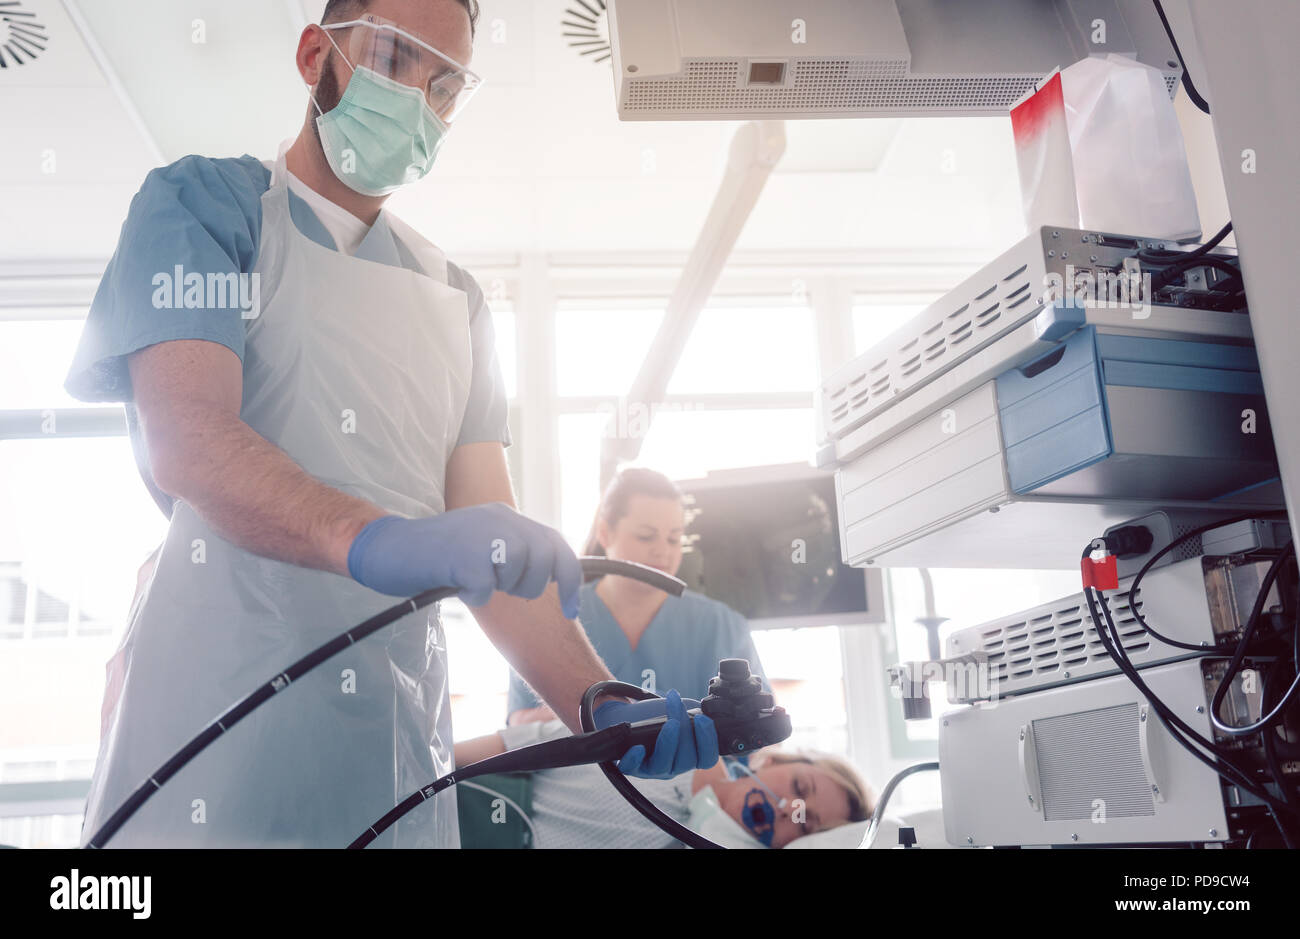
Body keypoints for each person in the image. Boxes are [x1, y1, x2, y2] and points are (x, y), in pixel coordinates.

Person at [64, 0, 714, 848]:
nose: (419, 99)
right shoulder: (205, 208)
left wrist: (599, 703)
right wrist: (379, 540)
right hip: (206, 730)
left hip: (393, 750)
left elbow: (497, 560)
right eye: (395, 58)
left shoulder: (456, 301)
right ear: (313, 55)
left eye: (446, 83)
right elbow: (190, 442)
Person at [508, 467, 768, 725]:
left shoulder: (722, 626)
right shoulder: (552, 614)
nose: (662, 552)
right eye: (646, 537)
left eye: (674, 539)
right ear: (605, 533)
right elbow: (519, 723)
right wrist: (598, 719)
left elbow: (759, 731)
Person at [454, 721, 873, 849]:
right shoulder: (651, 742)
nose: (789, 809)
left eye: (805, 825)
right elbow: (465, 755)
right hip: (452, 809)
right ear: (775, 759)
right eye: (799, 787)